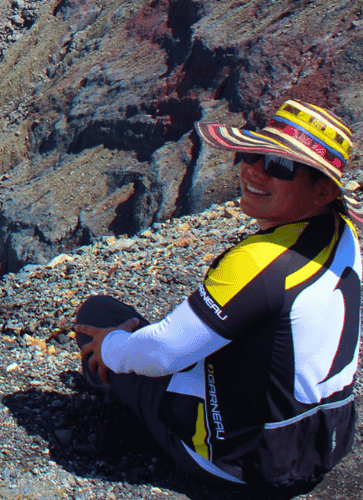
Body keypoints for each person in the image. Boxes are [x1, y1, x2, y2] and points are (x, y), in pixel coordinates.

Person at [73, 99, 362, 495]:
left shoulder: (258, 263)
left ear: (323, 191)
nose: (253, 172)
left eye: (280, 167)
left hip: (242, 466)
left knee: (99, 315)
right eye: (252, 154)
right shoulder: (342, 232)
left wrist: (111, 349)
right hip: (319, 446)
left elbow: (164, 353)